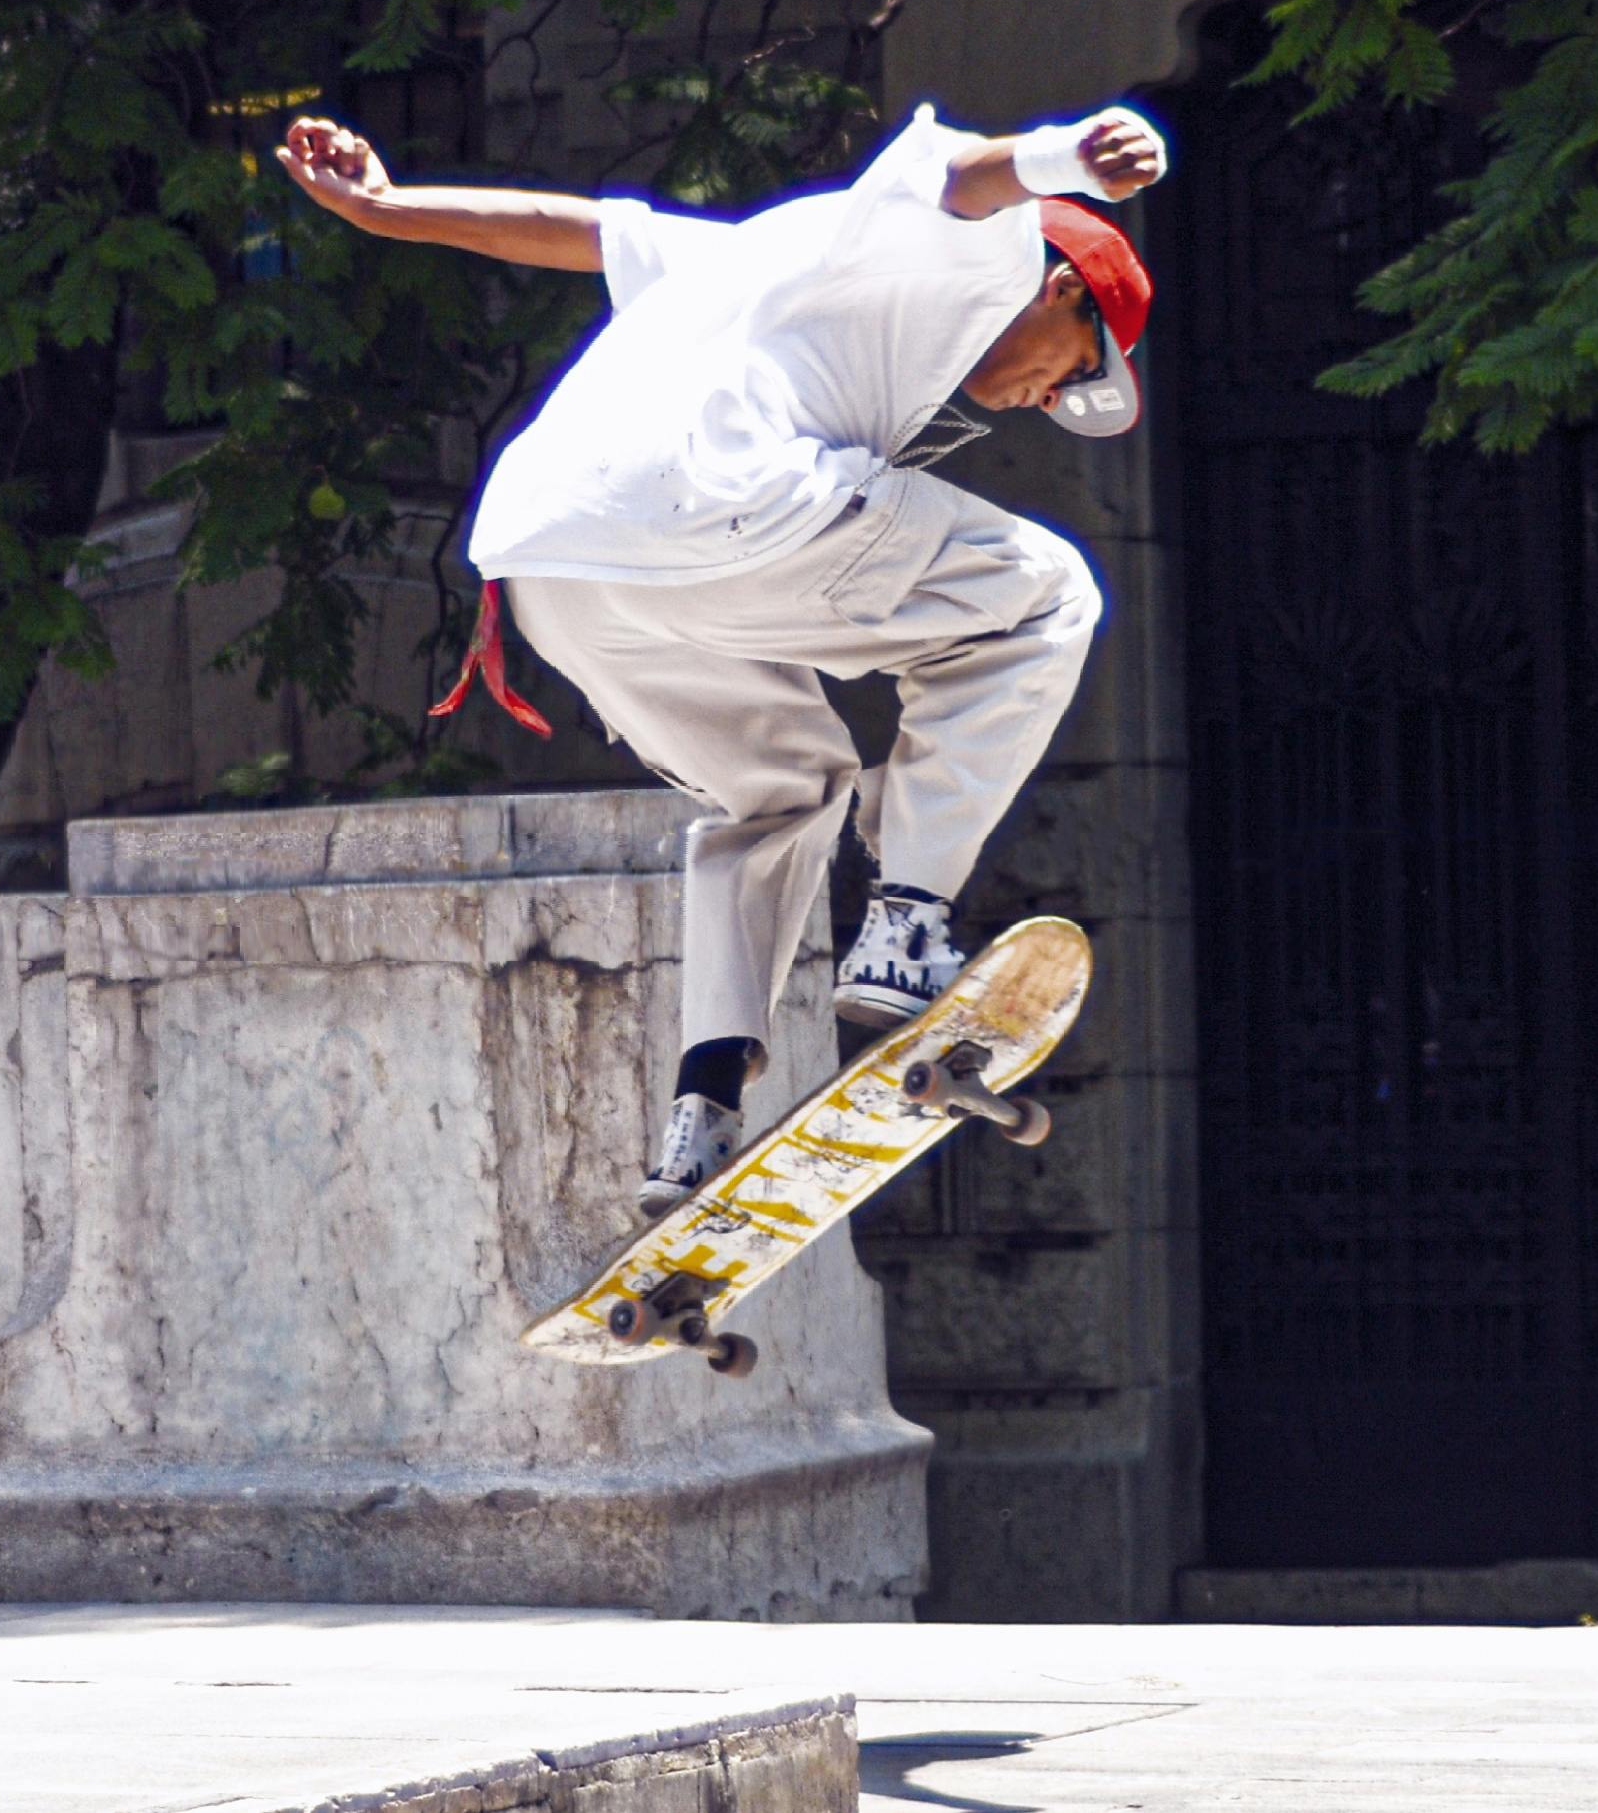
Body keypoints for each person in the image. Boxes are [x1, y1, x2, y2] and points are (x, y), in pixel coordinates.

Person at [273, 97, 1163, 1209]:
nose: (1054, 396)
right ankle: (908, 922)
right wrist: (1070, 156)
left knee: (783, 782)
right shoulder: (992, 254)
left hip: (557, 565)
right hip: (728, 504)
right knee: (1044, 599)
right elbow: (970, 178)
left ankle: (702, 1108)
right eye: (1078, 365)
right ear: (1066, 287)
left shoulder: (769, 256)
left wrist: (386, 208)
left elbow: (580, 229)